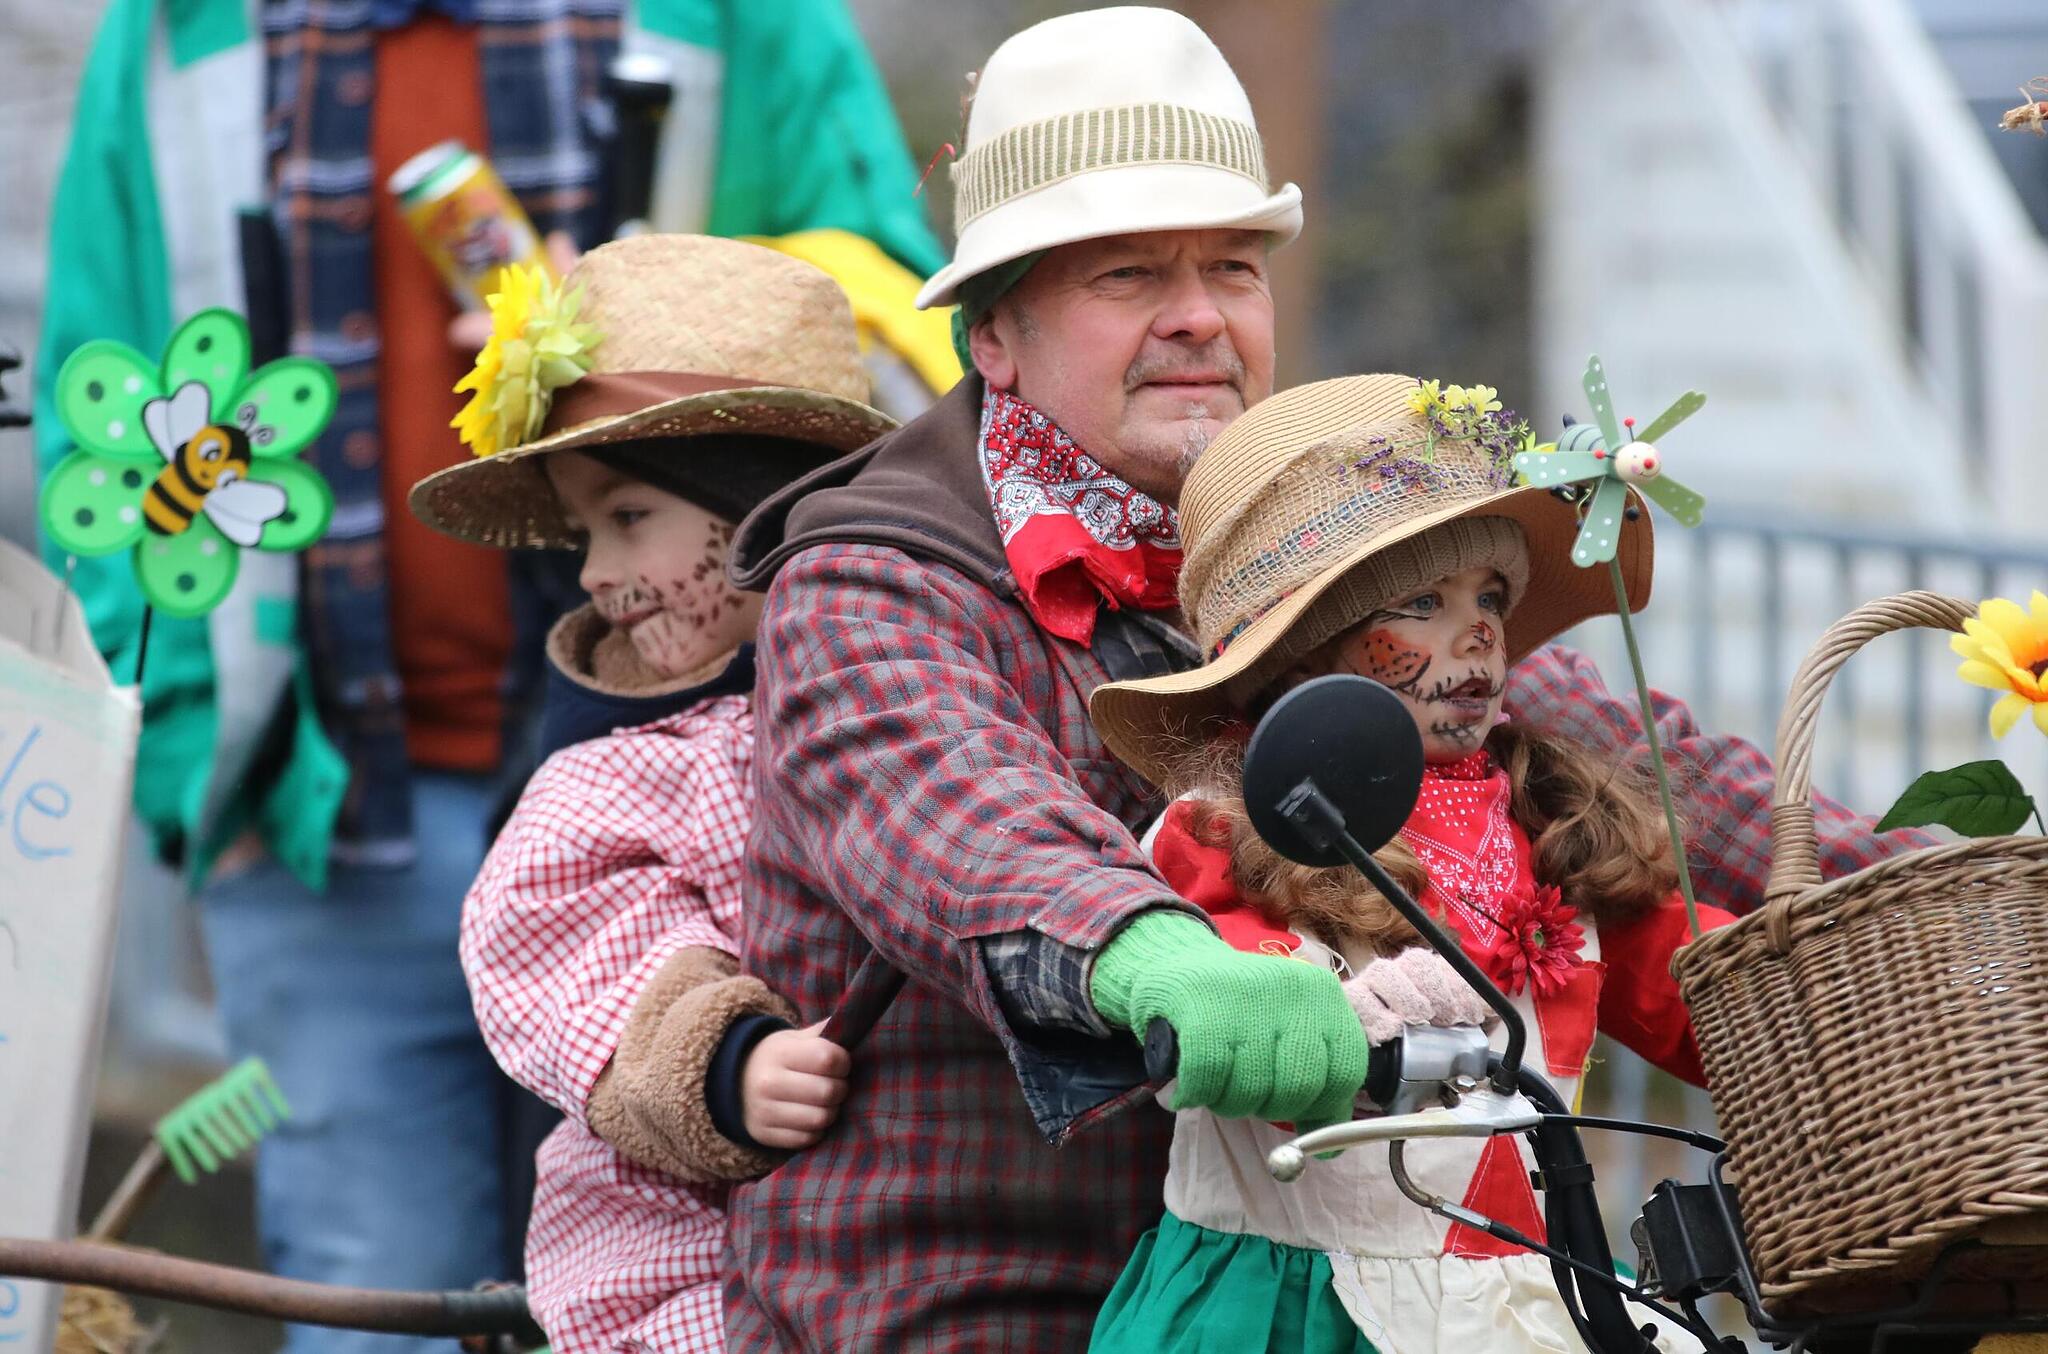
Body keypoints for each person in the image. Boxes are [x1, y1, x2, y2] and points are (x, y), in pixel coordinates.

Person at [725, 8, 1926, 1347]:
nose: (1198, 316)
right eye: (1127, 274)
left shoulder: (1321, 541)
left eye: (1232, 268)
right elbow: (961, 822)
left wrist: (1960, 904)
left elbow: (1651, 767)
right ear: (993, 333)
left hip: (1370, 1289)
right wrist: (1160, 959)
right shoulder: (872, 582)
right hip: (977, 1293)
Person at [33, 4, 941, 1350]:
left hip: (727, 810)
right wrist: (191, 758)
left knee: (699, 1266)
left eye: (621, 520)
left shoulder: (744, 19)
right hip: (324, 827)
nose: (597, 563)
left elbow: (910, 338)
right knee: (376, 1294)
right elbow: (92, 400)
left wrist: (645, 329)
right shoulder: (180, 31)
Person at [1084, 373, 1740, 1353]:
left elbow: (1713, 994)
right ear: (1302, 655)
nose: (1479, 630)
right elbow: (1219, 987)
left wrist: (1843, 996)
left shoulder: (1558, 829)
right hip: (1289, 1304)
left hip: (1525, 1297)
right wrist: (1319, 1014)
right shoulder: (1225, 831)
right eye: (1423, 600)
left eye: (1491, 596)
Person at [419, 235, 879, 1352]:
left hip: (887, 1244)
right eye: (586, 531)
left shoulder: (898, 699)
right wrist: (720, 1062)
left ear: (765, 518)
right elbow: (576, 950)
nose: (590, 572)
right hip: (687, 1274)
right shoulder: (613, 770)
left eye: (626, 518)